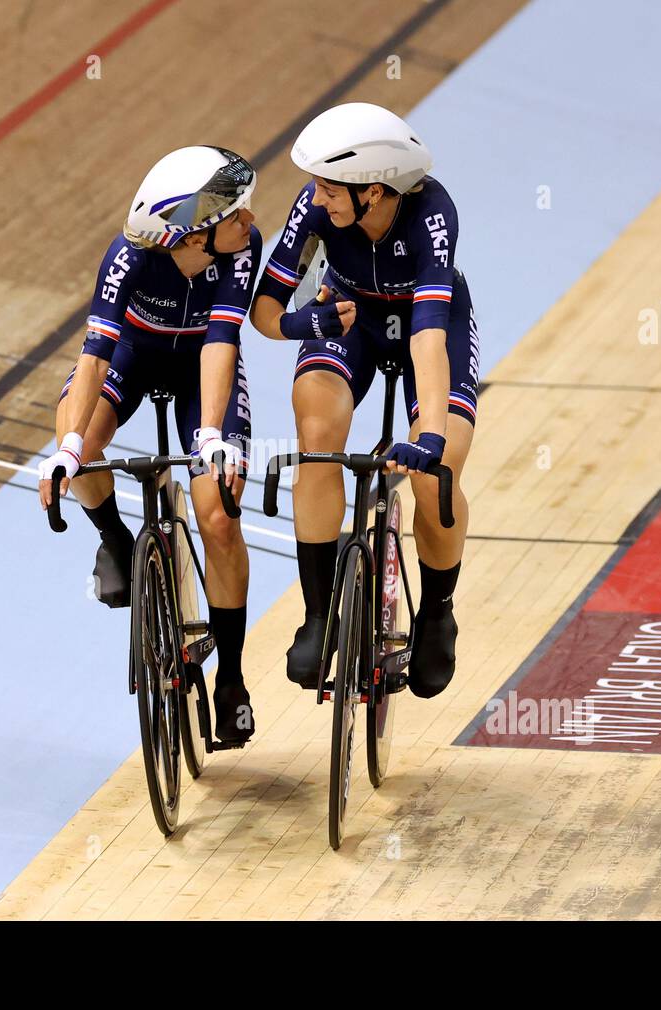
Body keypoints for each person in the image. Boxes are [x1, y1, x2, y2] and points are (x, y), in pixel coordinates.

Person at [249, 103, 477, 700]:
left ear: (372, 191)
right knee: (318, 442)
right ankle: (319, 614)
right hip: (349, 318)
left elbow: (428, 334)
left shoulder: (432, 214)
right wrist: (307, 323)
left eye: (329, 188)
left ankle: (438, 611)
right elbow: (265, 312)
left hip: (429, 321)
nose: (316, 198)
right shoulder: (314, 207)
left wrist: (429, 435)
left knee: (437, 476)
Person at [38, 146, 262, 743]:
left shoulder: (240, 248)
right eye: (235, 215)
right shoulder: (127, 258)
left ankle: (232, 679)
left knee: (217, 515)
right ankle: (115, 539)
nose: (249, 222)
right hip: (134, 360)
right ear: (192, 236)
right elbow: (95, 356)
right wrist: (67, 450)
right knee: (75, 434)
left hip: (199, 372)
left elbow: (221, 343)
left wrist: (213, 437)